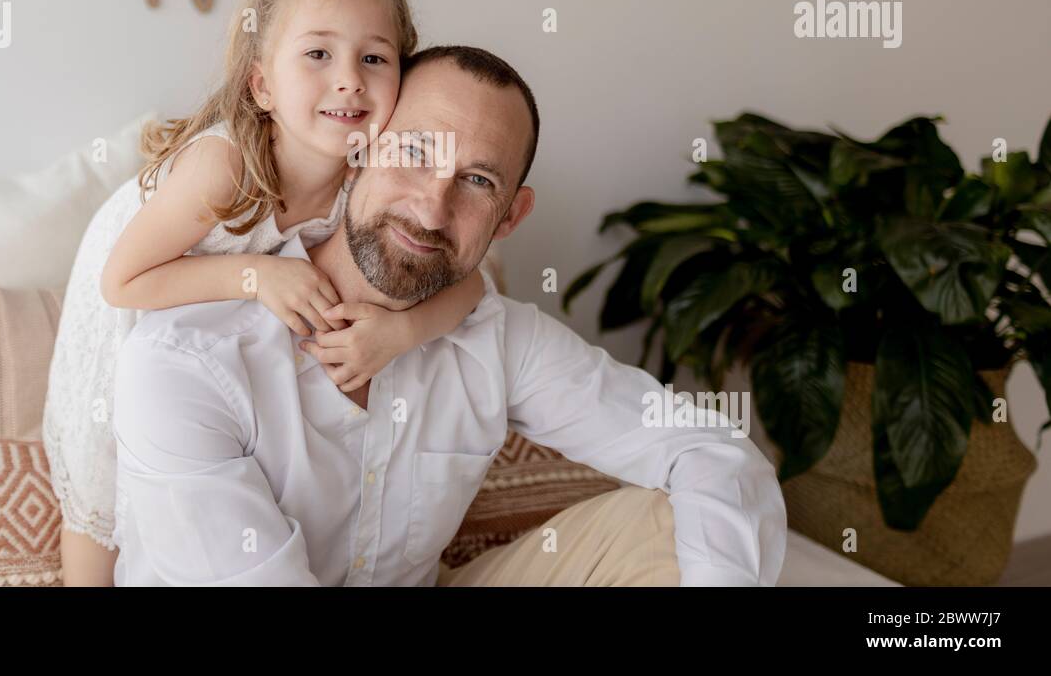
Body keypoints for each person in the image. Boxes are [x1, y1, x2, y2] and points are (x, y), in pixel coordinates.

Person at [112, 45, 788, 586]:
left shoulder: (496, 338)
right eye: (415, 153)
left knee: (669, 529)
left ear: (509, 216)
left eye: (477, 181)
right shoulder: (186, 362)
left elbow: (709, 453)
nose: (433, 210)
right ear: (359, 155)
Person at [42, 0, 487, 586]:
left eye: (374, 59)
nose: (349, 82)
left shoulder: (369, 175)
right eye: (317, 55)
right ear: (262, 88)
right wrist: (255, 276)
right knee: (105, 469)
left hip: (231, 321)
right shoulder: (226, 167)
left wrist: (400, 333)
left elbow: (470, 282)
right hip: (149, 269)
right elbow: (123, 283)